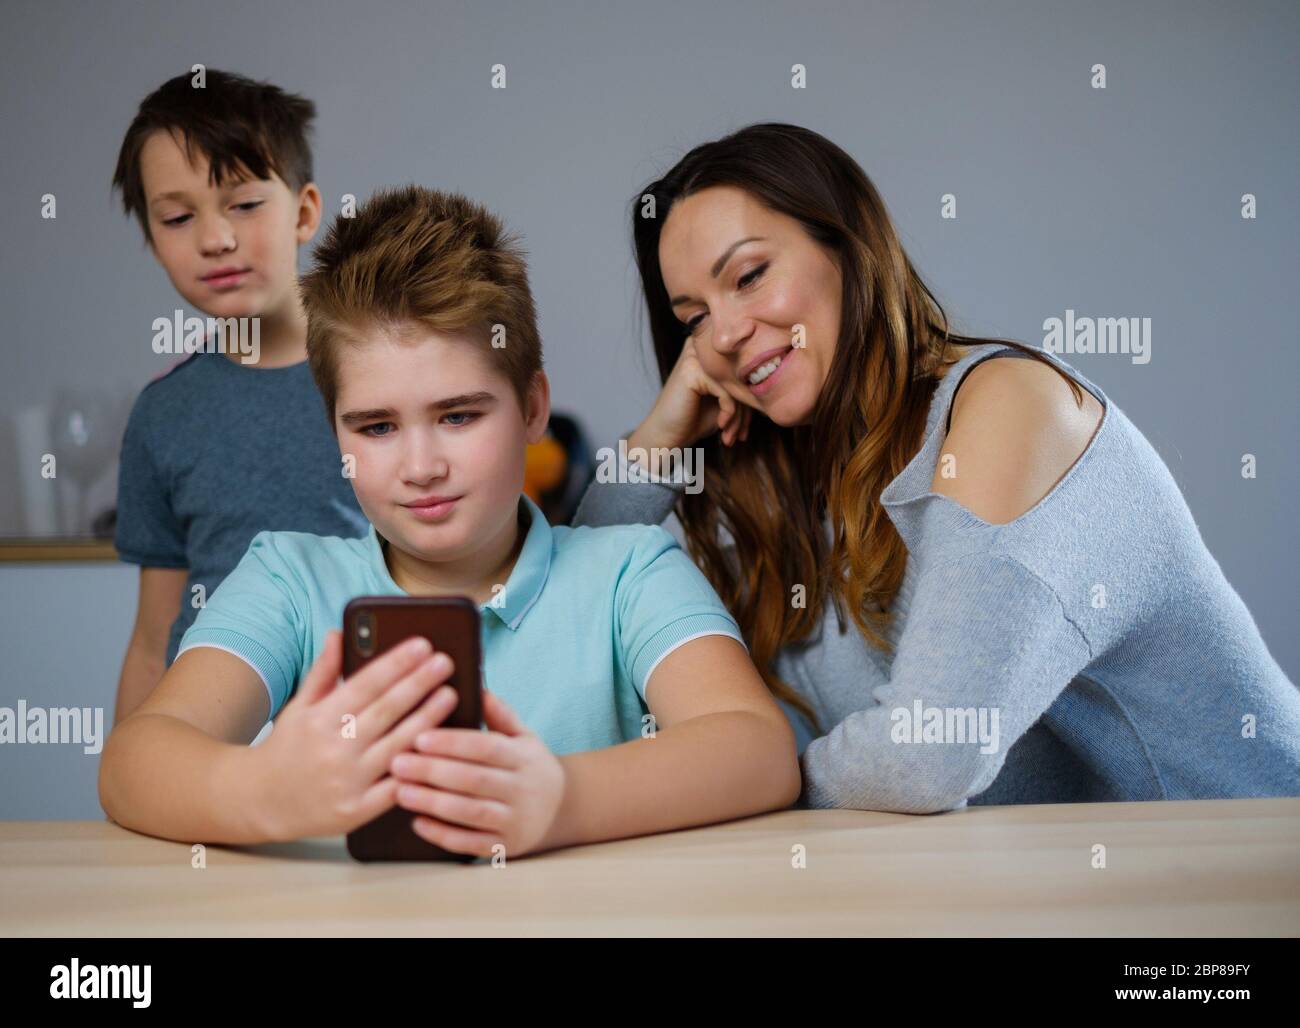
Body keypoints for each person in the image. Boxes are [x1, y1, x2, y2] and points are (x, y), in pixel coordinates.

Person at [572, 121, 1300, 811]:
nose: (723, 334)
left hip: (1246, 882)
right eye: (692, 317)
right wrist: (656, 443)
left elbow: (930, 757)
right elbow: (578, 619)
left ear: (849, 247)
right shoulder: (798, 494)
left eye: (751, 275)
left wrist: (742, 778)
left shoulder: (1007, 407)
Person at [98, 185, 801, 858]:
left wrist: (561, 800)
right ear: (333, 433)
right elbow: (133, 761)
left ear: (532, 410)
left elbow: (758, 750)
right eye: (375, 427)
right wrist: (267, 792)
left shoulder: (629, 569)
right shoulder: (287, 579)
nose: (421, 465)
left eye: (458, 415)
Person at [110, 70, 367, 727]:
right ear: (151, 241)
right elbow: (153, 633)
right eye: (177, 217)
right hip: (211, 739)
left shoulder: (384, 374)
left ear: (305, 211)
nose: (215, 238)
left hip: (365, 722)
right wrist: (131, 774)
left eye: (244, 204)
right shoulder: (162, 414)